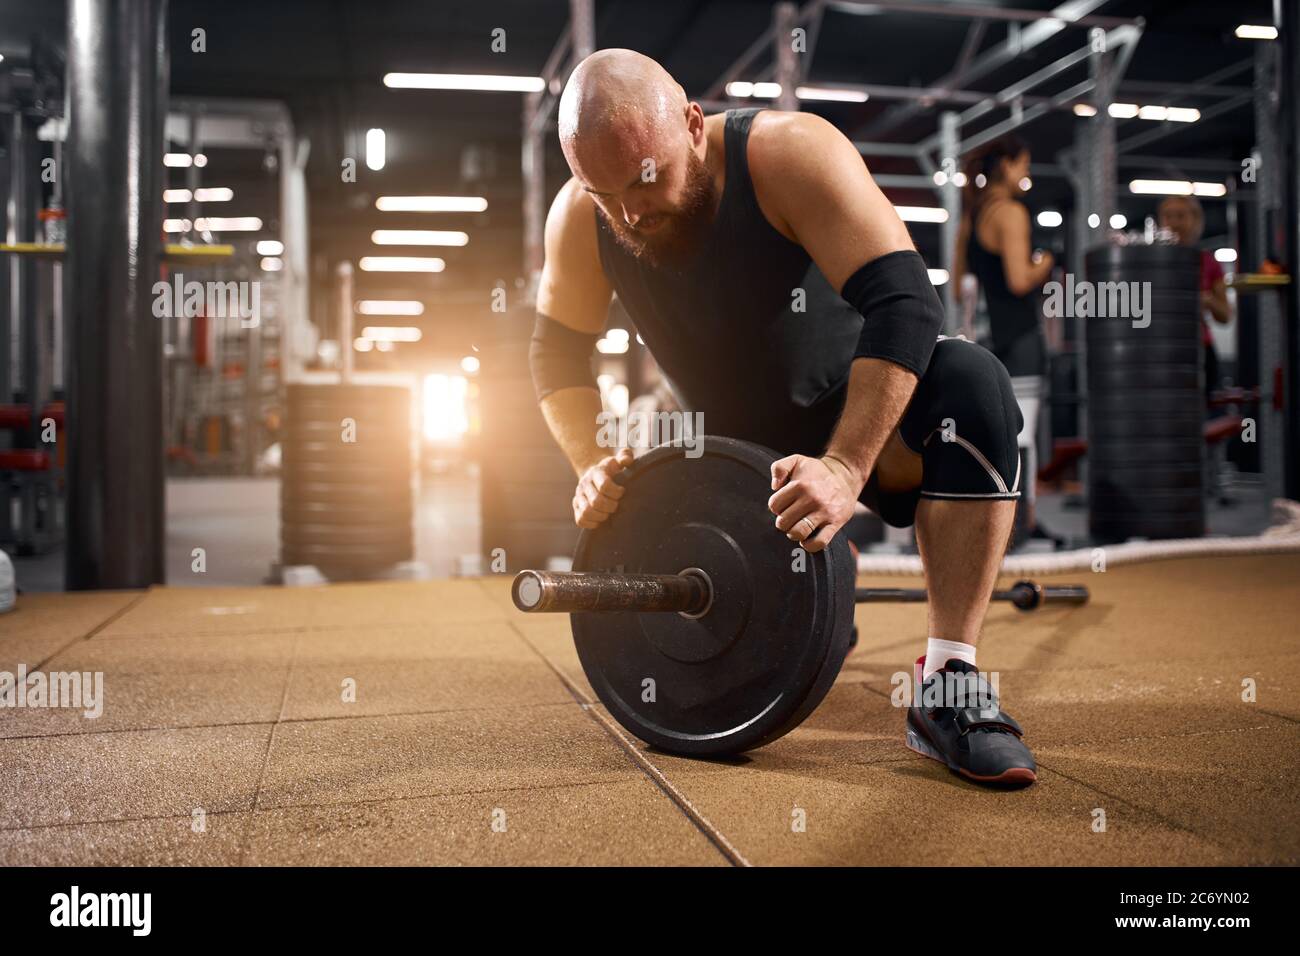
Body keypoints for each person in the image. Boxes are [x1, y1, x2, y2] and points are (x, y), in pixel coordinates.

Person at [530, 49, 1034, 786]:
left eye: (644, 180)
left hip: (866, 423)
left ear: (694, 126)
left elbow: (905, 303)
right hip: (738, 468)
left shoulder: (789, 154)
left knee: (974, 386)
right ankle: (815, 590)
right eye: (604, 194)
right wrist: (587, 465)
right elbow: (555, 353)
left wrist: (844, 466)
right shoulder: (586, 215)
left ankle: (948, 689)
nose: (630, 211)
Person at [952, 135, 1056, 547]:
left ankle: (996, 527)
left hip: (986, 344)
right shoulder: (1011, 214)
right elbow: (1018, 280)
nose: (1025, 175)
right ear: (1008, 166)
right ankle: (1021, 526)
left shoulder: (970, 219)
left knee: (994, 434)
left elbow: (962, 290)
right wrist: (1044, 262)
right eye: (1024, 166)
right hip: (1020, 339)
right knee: (1023, 435)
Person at [1157, 195, 1233, 402]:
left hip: (1198, 351)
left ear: (1195, 220)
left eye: (1180, 216)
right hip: (1160, 351)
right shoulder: (1152, 263)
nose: (1173, 223)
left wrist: (1204, 300)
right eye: (1168, 216)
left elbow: (1225, 315)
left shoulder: (1209, 263)